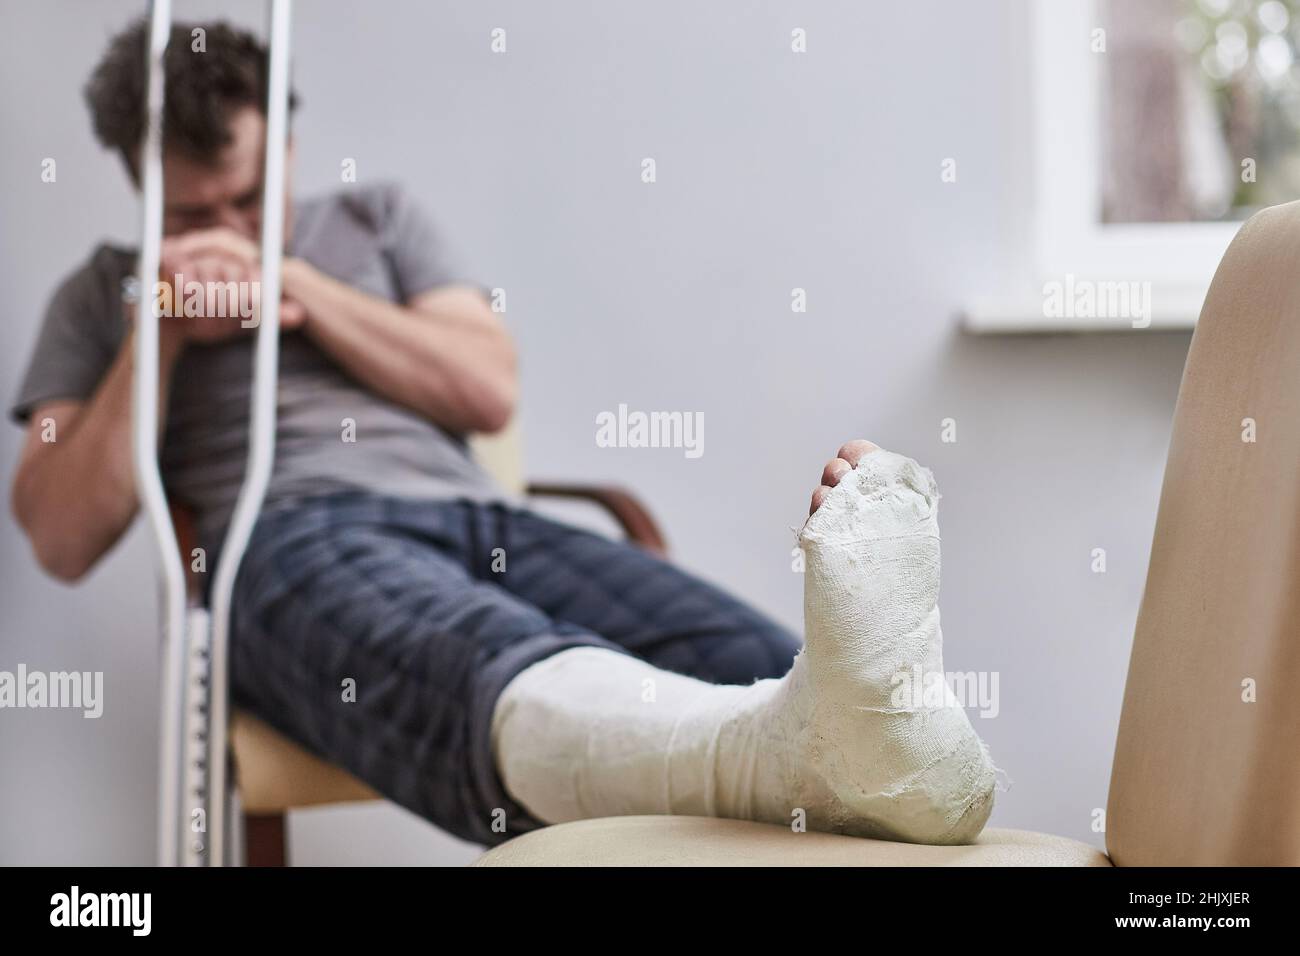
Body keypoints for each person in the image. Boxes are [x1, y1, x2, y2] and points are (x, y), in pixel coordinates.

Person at [10, 19, 995, 848]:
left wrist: (291, 286)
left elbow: (484, 387)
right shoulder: (102, 295)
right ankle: (776, 756)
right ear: (138, 186)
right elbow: (58, 532)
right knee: (486, 653)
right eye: (194, 211)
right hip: (288, 542)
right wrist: (161, 334)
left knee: (756, 658)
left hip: (489, 521)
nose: (226, 225)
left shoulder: (376, 220)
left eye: (249, 199)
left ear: (289, 151)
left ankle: (857, 739)